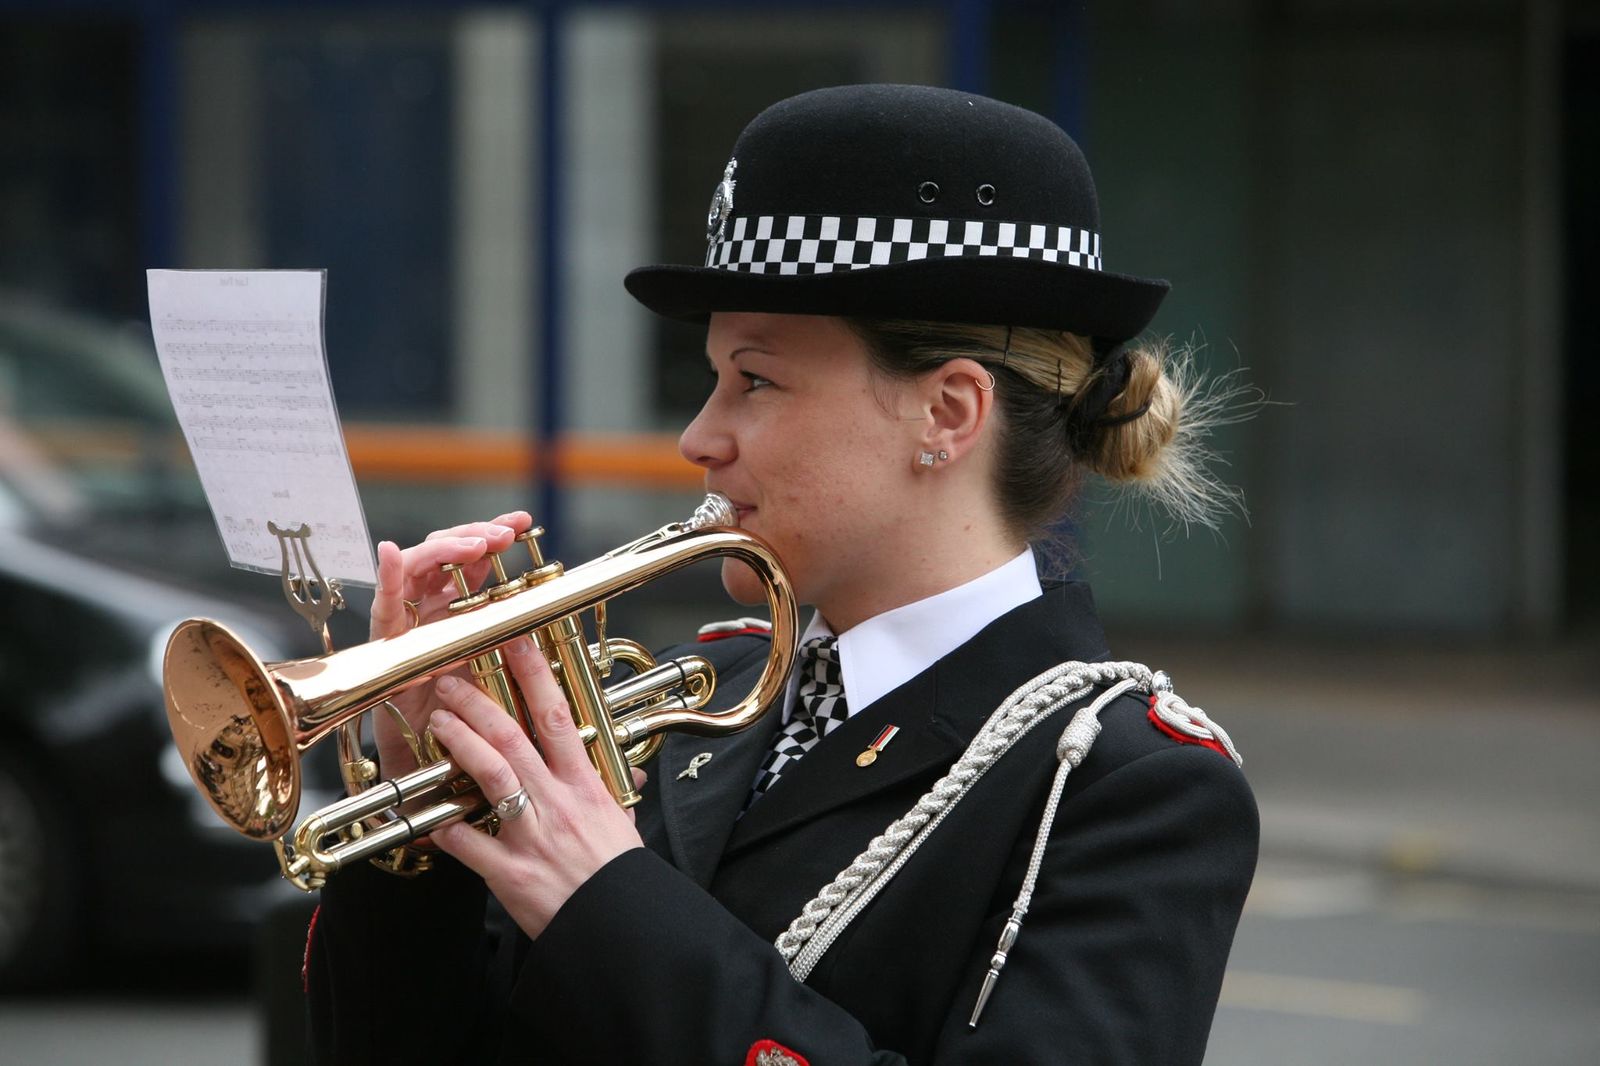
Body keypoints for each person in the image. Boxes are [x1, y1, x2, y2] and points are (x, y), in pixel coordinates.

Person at [304, 83, 1258, 1065]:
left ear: (947, 414)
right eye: (713, 378)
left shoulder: (1124, 783)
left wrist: (608, 903)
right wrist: (421, 815)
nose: (697, 438)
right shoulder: (699, 695)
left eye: (755, 379)